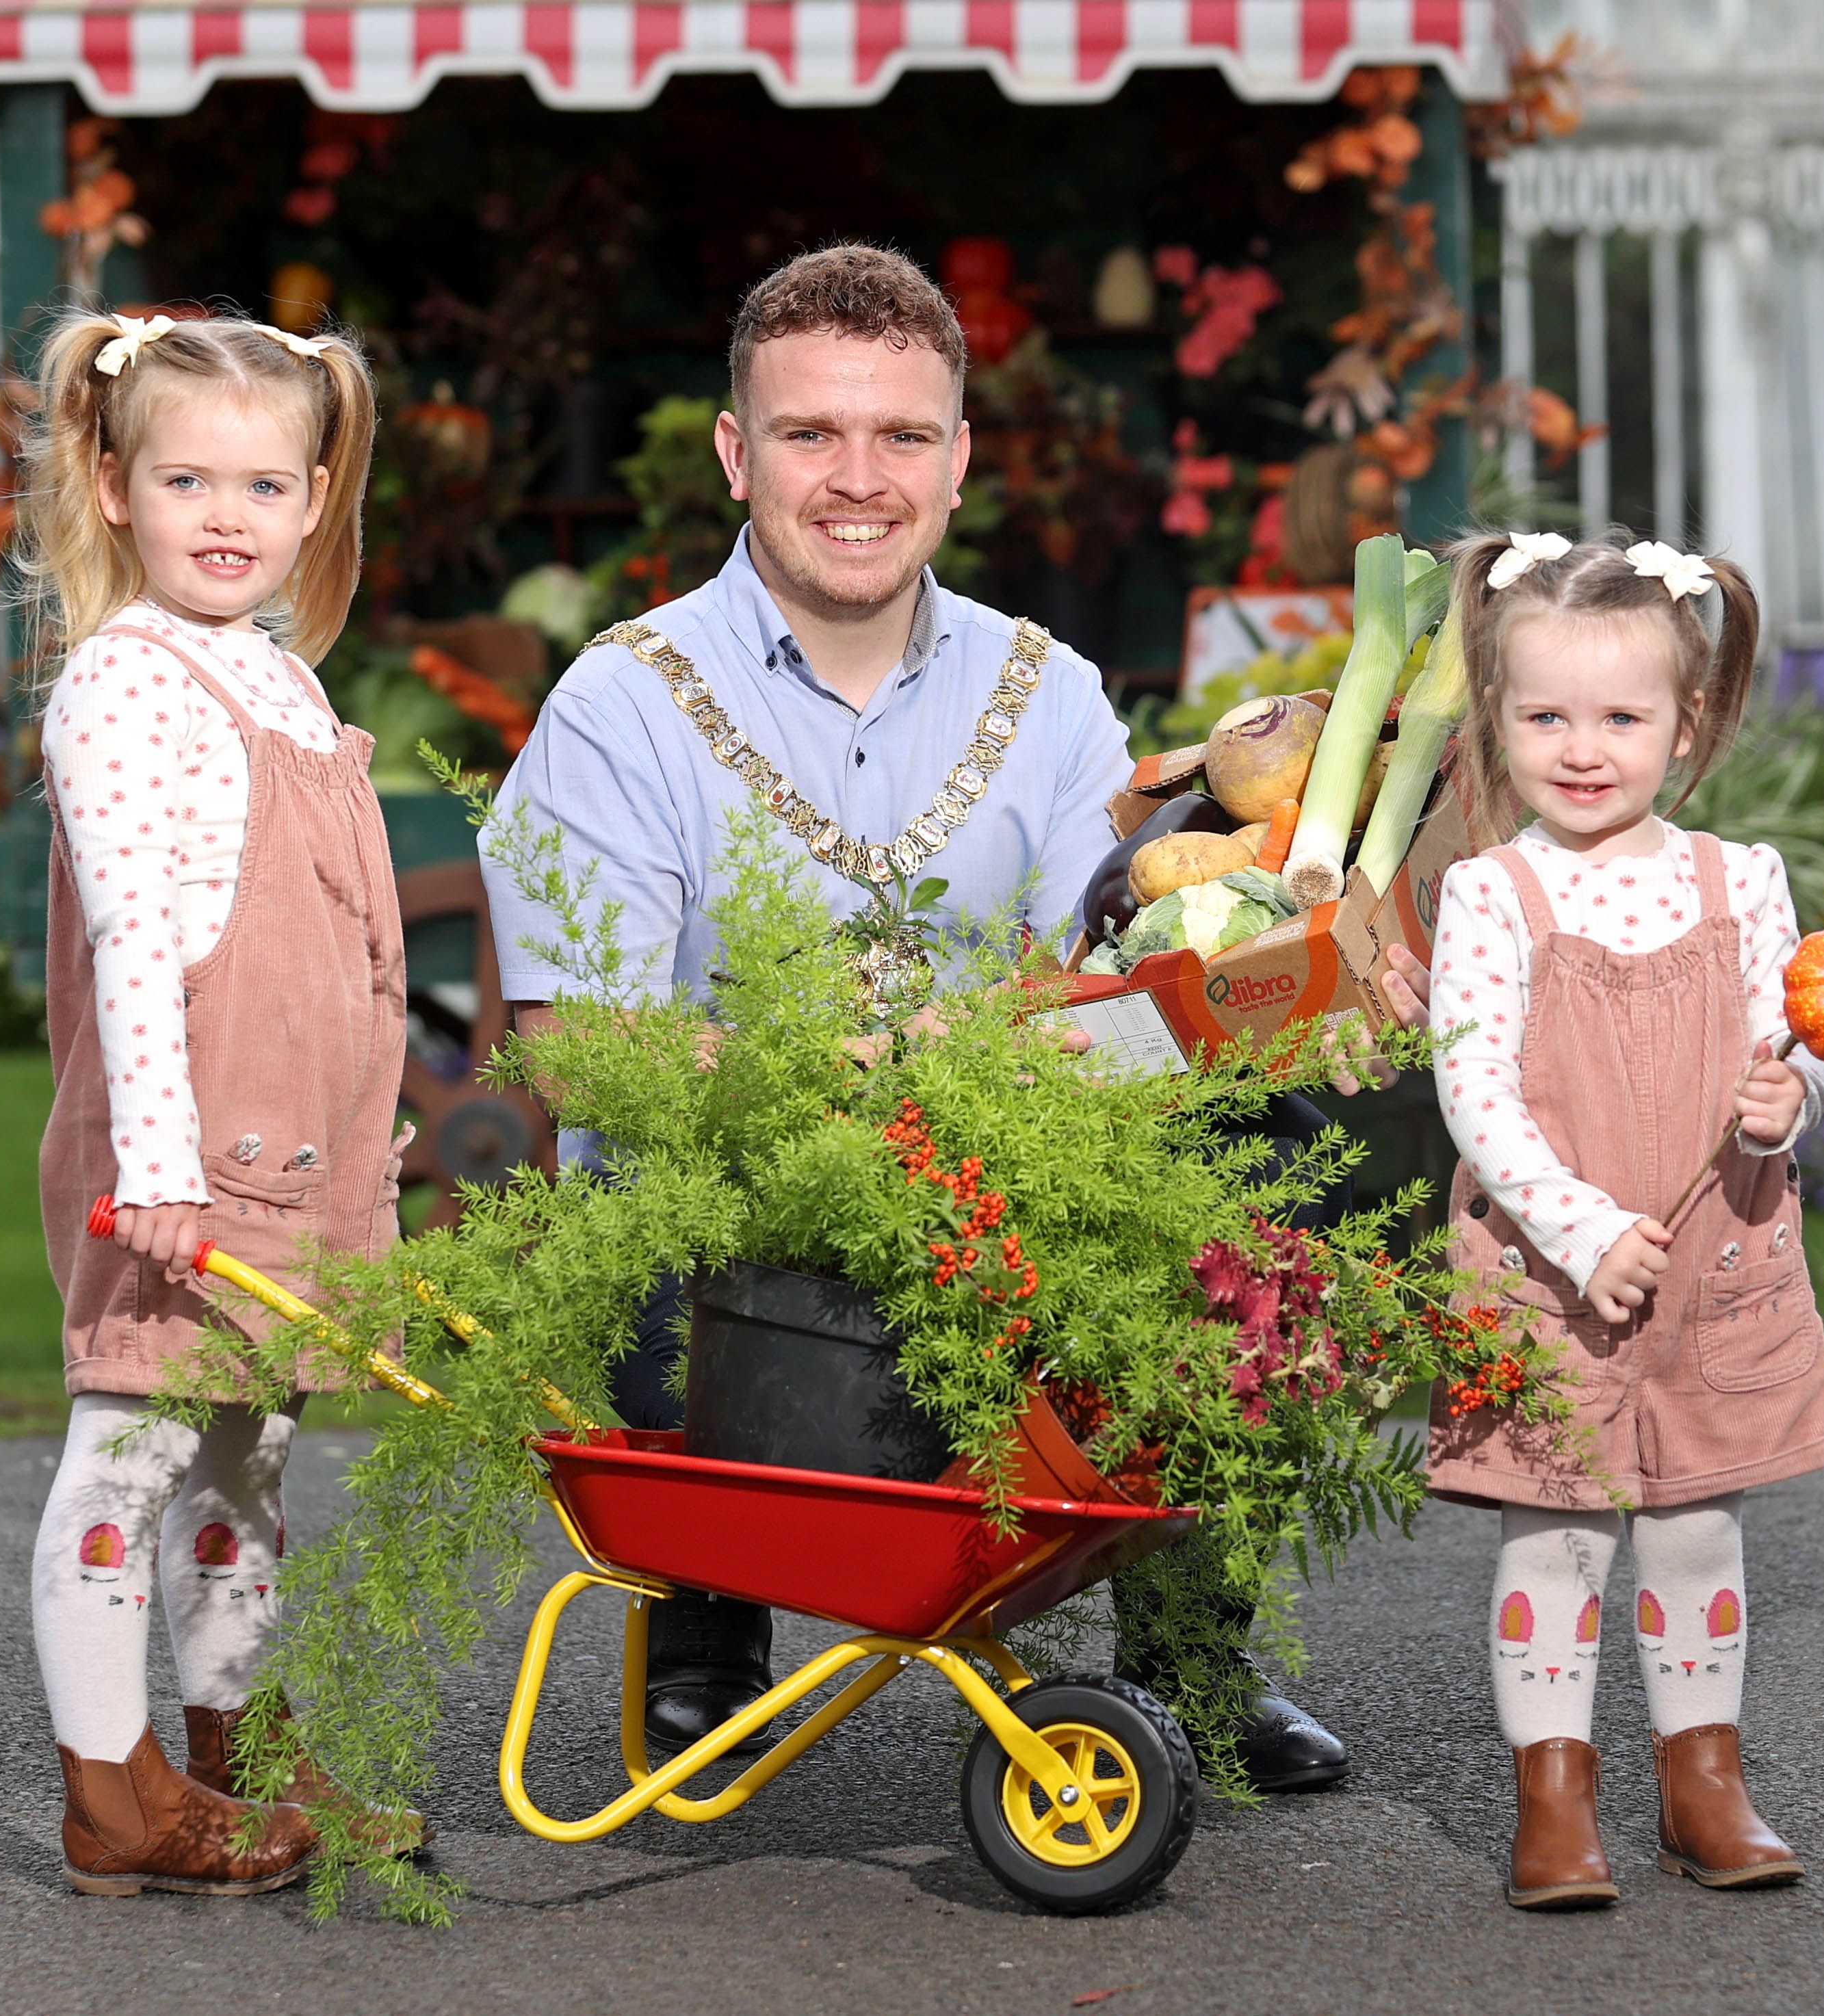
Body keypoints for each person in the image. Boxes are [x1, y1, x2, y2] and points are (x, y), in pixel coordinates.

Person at [482, 244, 1422, 1792]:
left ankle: (1188, 1645)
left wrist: (1282, 992)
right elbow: (578, 1050)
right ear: (736, 452)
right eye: (811, 433)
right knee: (680, 1207)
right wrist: (836, 1076)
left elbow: (1118, 974)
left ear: (959, 456)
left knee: (1268, 1145)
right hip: (733, 1208)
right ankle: (703, 1622)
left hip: (1001, 1183)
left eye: (902, 436)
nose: (860, 479)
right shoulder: (623, 701)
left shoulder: (1045, 690)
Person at [18, 307, 403, 1896]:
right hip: (183, 1166)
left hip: (293, 1154)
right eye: (188, 481)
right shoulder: (124, 685)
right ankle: (113, 1794)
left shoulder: (281, 680)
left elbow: (330, 943)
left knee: (247, 1462)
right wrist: (163, 1168)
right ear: (116, 488)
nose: (228, 516)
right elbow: (134, 942)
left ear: (315, 500)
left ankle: (239, 1746)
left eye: (264, 484)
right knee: (132, 1448)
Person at [1421, 529, 1824, 1911]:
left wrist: (1792, 1098)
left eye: (1620, 718)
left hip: (1716, 1264)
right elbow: (1475, 1089)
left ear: (1687, 722)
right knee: (1556, 1534)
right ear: (1497, 716)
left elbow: (1796, 1040)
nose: (1582, 749)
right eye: (1545, 717)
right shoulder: (1493, 891)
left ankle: (1702, 1781)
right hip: (1554, 1276)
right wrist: (1582, 1228)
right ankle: (1554, 1797)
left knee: (1695, 1527)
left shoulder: (1741, 879)